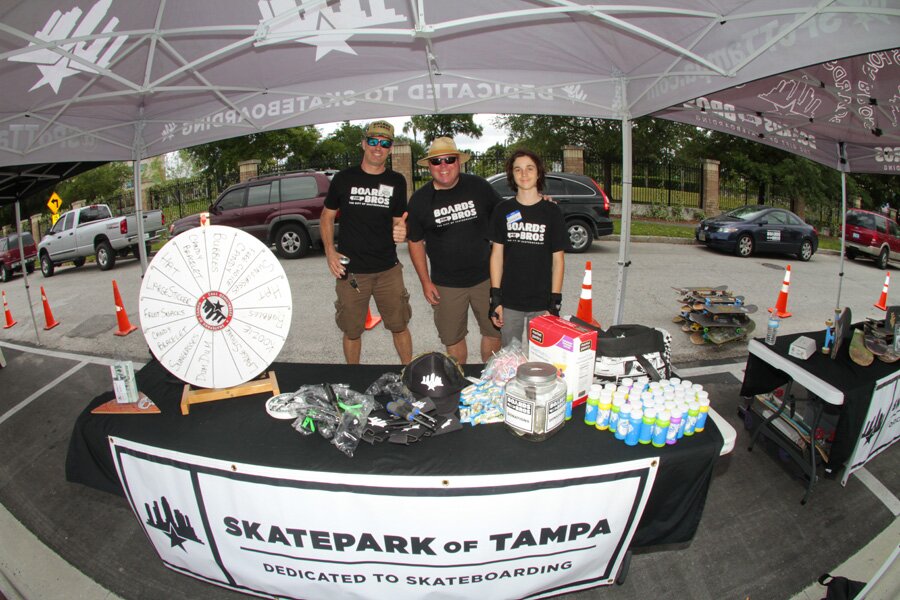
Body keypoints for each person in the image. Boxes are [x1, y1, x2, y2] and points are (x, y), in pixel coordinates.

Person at [320, 120, 412, 364]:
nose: (378, 147)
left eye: (384, 143)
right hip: (352, 272)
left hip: (388, 270)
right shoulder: (344, 179)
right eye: (373, 141)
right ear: (363, 144)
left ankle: (409, 374)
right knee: (352, 331)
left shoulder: (397, 181)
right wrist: (330, 252)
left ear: (390, 149)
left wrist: (402, 230)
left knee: (399, 326)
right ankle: (353, 378)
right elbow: (326, 216)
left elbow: (399, 221)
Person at [406, 137, 502, 364]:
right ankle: (459, 380)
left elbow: (506, 214)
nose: (443, 166)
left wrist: (538, 204)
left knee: (494, 331)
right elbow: (415, 242)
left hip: (486, 279)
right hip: (446, 284)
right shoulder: (419, 200)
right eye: (436, 161)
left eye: (449, 159)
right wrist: (425, 282)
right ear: (429, 166)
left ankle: (488, 378)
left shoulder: (479, 187)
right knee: (453, 338)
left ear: (459, 162)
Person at [489, 149, 566, 349]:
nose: (524, 174)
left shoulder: (552, 211)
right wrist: (495, 298)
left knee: (541, 357)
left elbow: (558, 260)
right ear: (512, 175)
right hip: (509, 301)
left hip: (542, 302)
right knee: (510, 356)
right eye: (518, 169)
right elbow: (496, 255)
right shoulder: (503, 210)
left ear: (538, 173)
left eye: (530, 168)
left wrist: (555, 301)